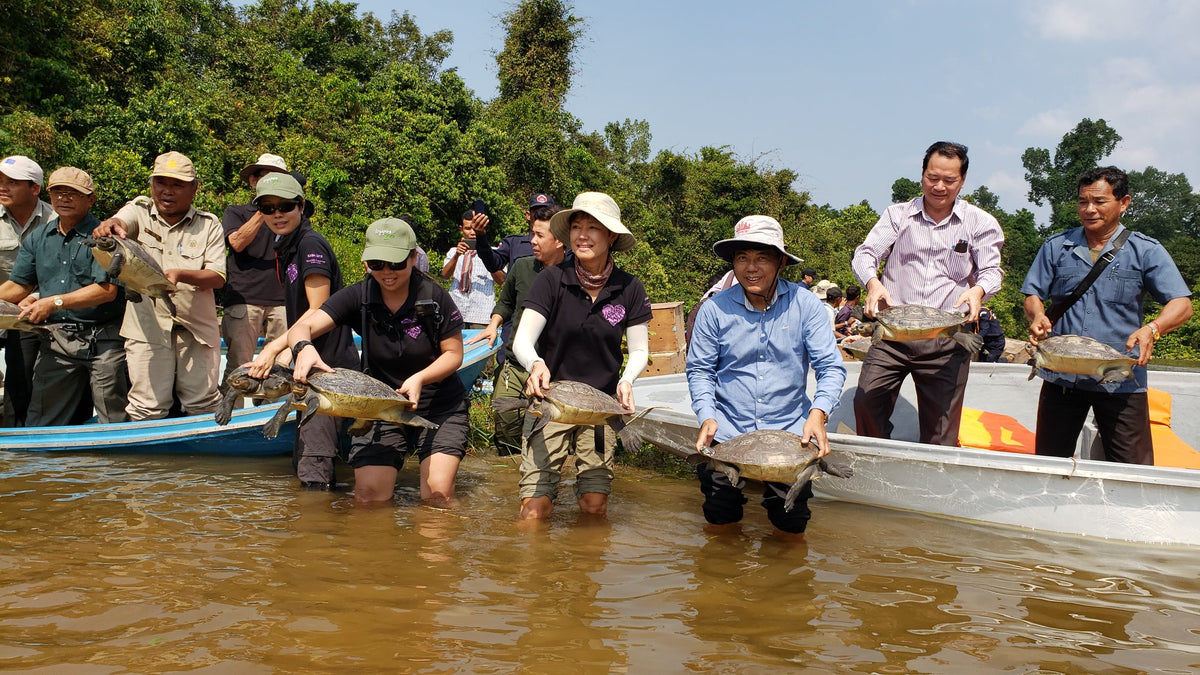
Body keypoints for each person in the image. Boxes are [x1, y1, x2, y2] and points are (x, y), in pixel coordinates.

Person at [286, 218, 468, 505]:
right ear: (366, 263)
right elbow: (301, 327)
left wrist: (420, 378)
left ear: (413, 258)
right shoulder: (359, 295)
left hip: (438, 405)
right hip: (380, 406)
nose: (387, 272)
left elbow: (454, 354)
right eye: (377, 263)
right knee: (369, 497)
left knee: (437, 495)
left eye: (396, 263)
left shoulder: (434, 297)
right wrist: (304, 347)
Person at [687, 215, 846, 536]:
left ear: (782, 262)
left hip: (789, 437)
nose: (751, 267)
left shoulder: (806, 306)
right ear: (733, 263)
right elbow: (700, 370)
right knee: (720, 522)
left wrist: (818, 413)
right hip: (728, 434)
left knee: (791, 527)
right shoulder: (714, 310)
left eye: (762, 257)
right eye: (742, 258)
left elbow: (830, 367)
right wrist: (706, 415)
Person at [1023, 166, 1193, 464]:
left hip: (1121, 377)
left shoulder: (1145, 250)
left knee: (1134, 470)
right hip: (1064, 374)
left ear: (1123, 202)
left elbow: (1182, 304)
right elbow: (1032, 295)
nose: (1089, 210)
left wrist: (1152, 329)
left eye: (1099, 202)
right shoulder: (1056, 246)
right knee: (1048, 464)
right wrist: (1037, 314)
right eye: (1082, 202)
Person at [851, 141, 1005, 446]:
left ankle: (931, 484)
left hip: (947, 338)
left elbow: (992, 271)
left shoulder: (979, 223)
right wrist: (872, 282)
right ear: (922, 174)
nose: (939, 187)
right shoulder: (898, 215)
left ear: (962, 181)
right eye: (933, 177)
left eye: (949, 180)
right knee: (867, 402)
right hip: (893, 334)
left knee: (941, 429)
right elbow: (866, 253)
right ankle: (879, 464)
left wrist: (978, 291)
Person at [512, 191, 652, 520]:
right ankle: (533, 571)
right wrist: (535, 364)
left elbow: (640, 349)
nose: (583, 235)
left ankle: (584, 569)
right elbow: (523, 340)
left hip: (601, 410)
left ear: (612, 236)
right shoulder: (552, 279)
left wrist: (627, 380)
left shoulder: (629, 288)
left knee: (594, 504)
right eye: (577, 227)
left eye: (594, 227)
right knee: (535, 508)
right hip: (551, 402)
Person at [244, 173, 358, 488]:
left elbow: (317, 309)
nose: (277, 214)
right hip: (307, 370)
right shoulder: (288, 244)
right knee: (305, 460)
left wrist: (271, 348)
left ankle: (316, 531)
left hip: (327, 369)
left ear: (301, 206)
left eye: (285, 206)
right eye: (268, 208)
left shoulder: (310, 244)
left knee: (313, 468)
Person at [94, 151, 226, 420]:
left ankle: (204, 461)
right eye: (160, 183)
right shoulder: (139, 211)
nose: (167, 191)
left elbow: (217, 276)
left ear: (194, 189)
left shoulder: (209, 224)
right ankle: (147, 463)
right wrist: (111, 225)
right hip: (147, 326)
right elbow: (121, 220)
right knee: (147, 407)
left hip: (195, 328)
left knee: (203, 403)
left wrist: (180, 274)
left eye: (177, 185)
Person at [0, 167, 128, 425]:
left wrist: (52, 302)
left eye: (73, 193)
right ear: (49, 195)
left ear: (91, 199)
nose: (64, 198)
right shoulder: (39, 237)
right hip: (57, 342)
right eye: (58, 192)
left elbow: (106, 291)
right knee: (42, 421)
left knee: (112, 418)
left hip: (104, 341)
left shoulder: (104, 237)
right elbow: (19, 286)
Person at [466, 202, 565, 455]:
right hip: (515, 364)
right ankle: (509, 476)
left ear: (560, 241)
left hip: (553, 370)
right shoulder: (521, 267)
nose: (532, 240)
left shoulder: (573, 276)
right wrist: (493, 324)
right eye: (532, 233)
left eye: (539, 235)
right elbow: (506, 303)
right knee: (505, 424)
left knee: (549, 435)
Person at [219, 153, 292, 402]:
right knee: (239, 368)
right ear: (253, 181)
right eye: (266, 177)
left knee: (279, 370)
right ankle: (227, 421)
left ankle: (268, 424)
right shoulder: (236, 212)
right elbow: (237, 243)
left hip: (283, 301)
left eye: (279, 178)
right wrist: (265, 208)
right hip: (244, 300)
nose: (273, 182)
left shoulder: (291, 214)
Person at [0, 155, 56, 426]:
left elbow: (61, 276)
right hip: (2, 304)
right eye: (0, 181)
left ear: (34, 188)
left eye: (12, 182)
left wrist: (34, 298)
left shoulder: (56, 220)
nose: (3, 187)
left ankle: (17, 439)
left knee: (21, 379)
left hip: (39, 311)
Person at [442, 208, 504, 328]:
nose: (472, 232)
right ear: (461, 229)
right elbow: (444, 276)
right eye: (468, 228)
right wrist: (457, 256)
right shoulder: (453, 251)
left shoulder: (494, 252)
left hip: (481, 314)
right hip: (456, 310)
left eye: (475, 228)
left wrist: (487, 257)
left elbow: (501, 280)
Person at [473, 193, 557, 275]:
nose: (540, 216)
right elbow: (493, 264)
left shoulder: (561, 244)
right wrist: (481, 236)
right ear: (528, 215)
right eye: (536, 212)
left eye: (545, 213)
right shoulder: (513, 243)